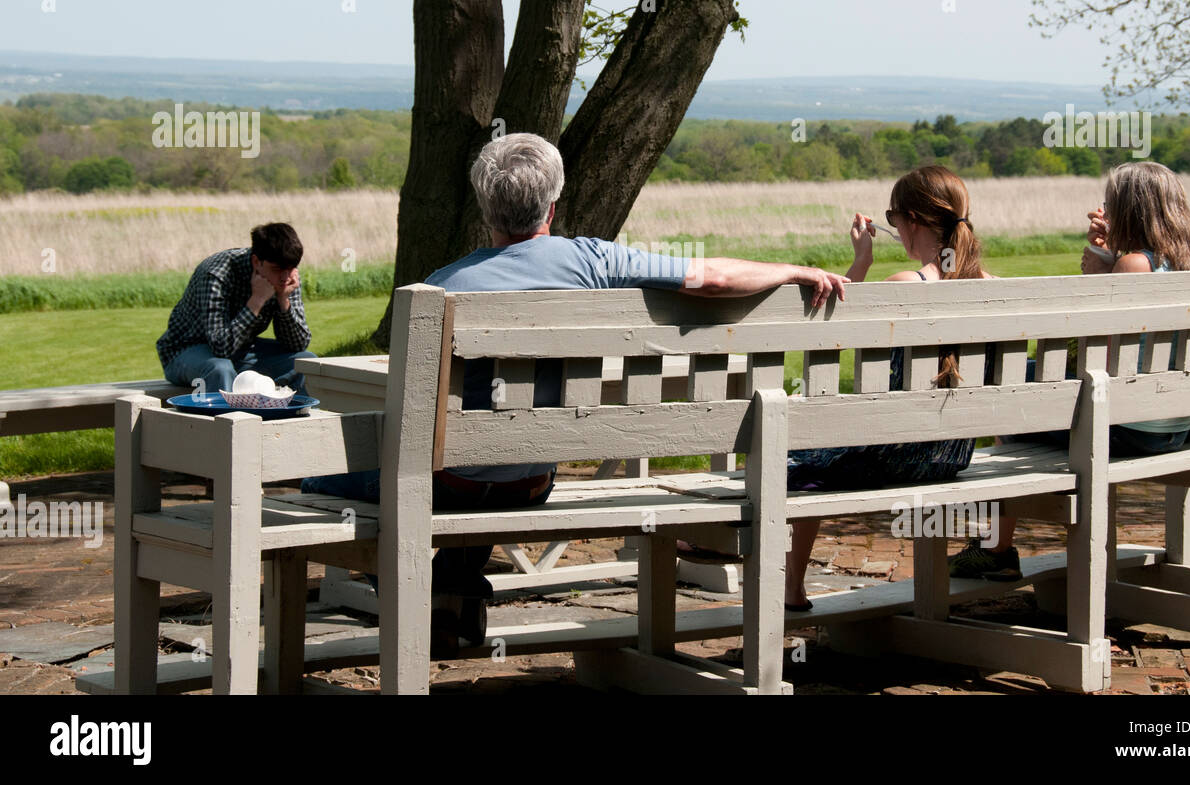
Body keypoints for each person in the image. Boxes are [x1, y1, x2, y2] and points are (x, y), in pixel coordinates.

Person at [301, 132, 850, 654]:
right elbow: (710, 279)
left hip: (452, 486)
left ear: (484, 208)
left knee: (321, 478)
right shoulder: (593, 261)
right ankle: (452, 601)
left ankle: (429, 593)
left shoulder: (443, 284)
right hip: (532, 480)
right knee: (487, 463)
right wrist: (793, 269)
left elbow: (410, 405)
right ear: (552, 207)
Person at [949, 160, 1190, 581]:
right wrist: (1104, 260)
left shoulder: (1135, 265)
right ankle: (999, 542)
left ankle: (997, 548)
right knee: (1025, 377)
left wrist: (1100, 275)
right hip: (1180, 426)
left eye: (1110, 202)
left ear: (1131, 210)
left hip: (1129, 427)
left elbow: (1098, 361)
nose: (1103, 207)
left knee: (1007, 391)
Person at [784, 165, 996, 611]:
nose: (893, 225)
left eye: (893, 215)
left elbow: (827, 339)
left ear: (912, 220)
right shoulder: (989, 287)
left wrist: (860, 262)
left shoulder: (907, 284)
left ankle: (791, 589)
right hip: (950, 456)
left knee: (794, 456)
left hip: (892, 455)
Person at [156, 222, 315, 395]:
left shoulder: (286, 275)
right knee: (220, 369)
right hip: (186, 349)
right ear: (256, 261)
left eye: (291, 269)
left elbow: (298, 344)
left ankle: (297, 419)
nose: (285, 277)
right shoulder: (216, 274)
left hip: (241, 350)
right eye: (277, 269)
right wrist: (257, 300)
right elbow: (220, 348)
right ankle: (233, 421)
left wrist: (283, 300)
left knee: (306, 362)